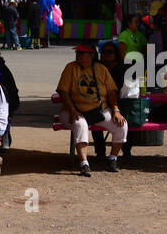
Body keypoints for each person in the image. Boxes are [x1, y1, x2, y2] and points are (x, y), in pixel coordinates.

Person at [56, 43, 126, 176]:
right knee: (80, 124)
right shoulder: (70, 67)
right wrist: (72, 110)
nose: (78, 55)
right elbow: (62, 91)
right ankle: (84, 164)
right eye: (77, 53)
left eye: (82, 53)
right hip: (74, 111)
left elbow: (112, 92)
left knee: (122, 125)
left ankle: (112, 159)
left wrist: (116, 110)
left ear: (92, 55)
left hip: (98, 111)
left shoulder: (101, 69)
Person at [99, 41, 139, 158]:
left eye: (110, 52)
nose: (106, 54)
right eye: (104, 52)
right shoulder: (98, 67)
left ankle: (127, 151)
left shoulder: (124, 67)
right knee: (95, 116)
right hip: (103, 102)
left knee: (127, 118)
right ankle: (100, 152)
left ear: (115, 53)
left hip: (121, 102)